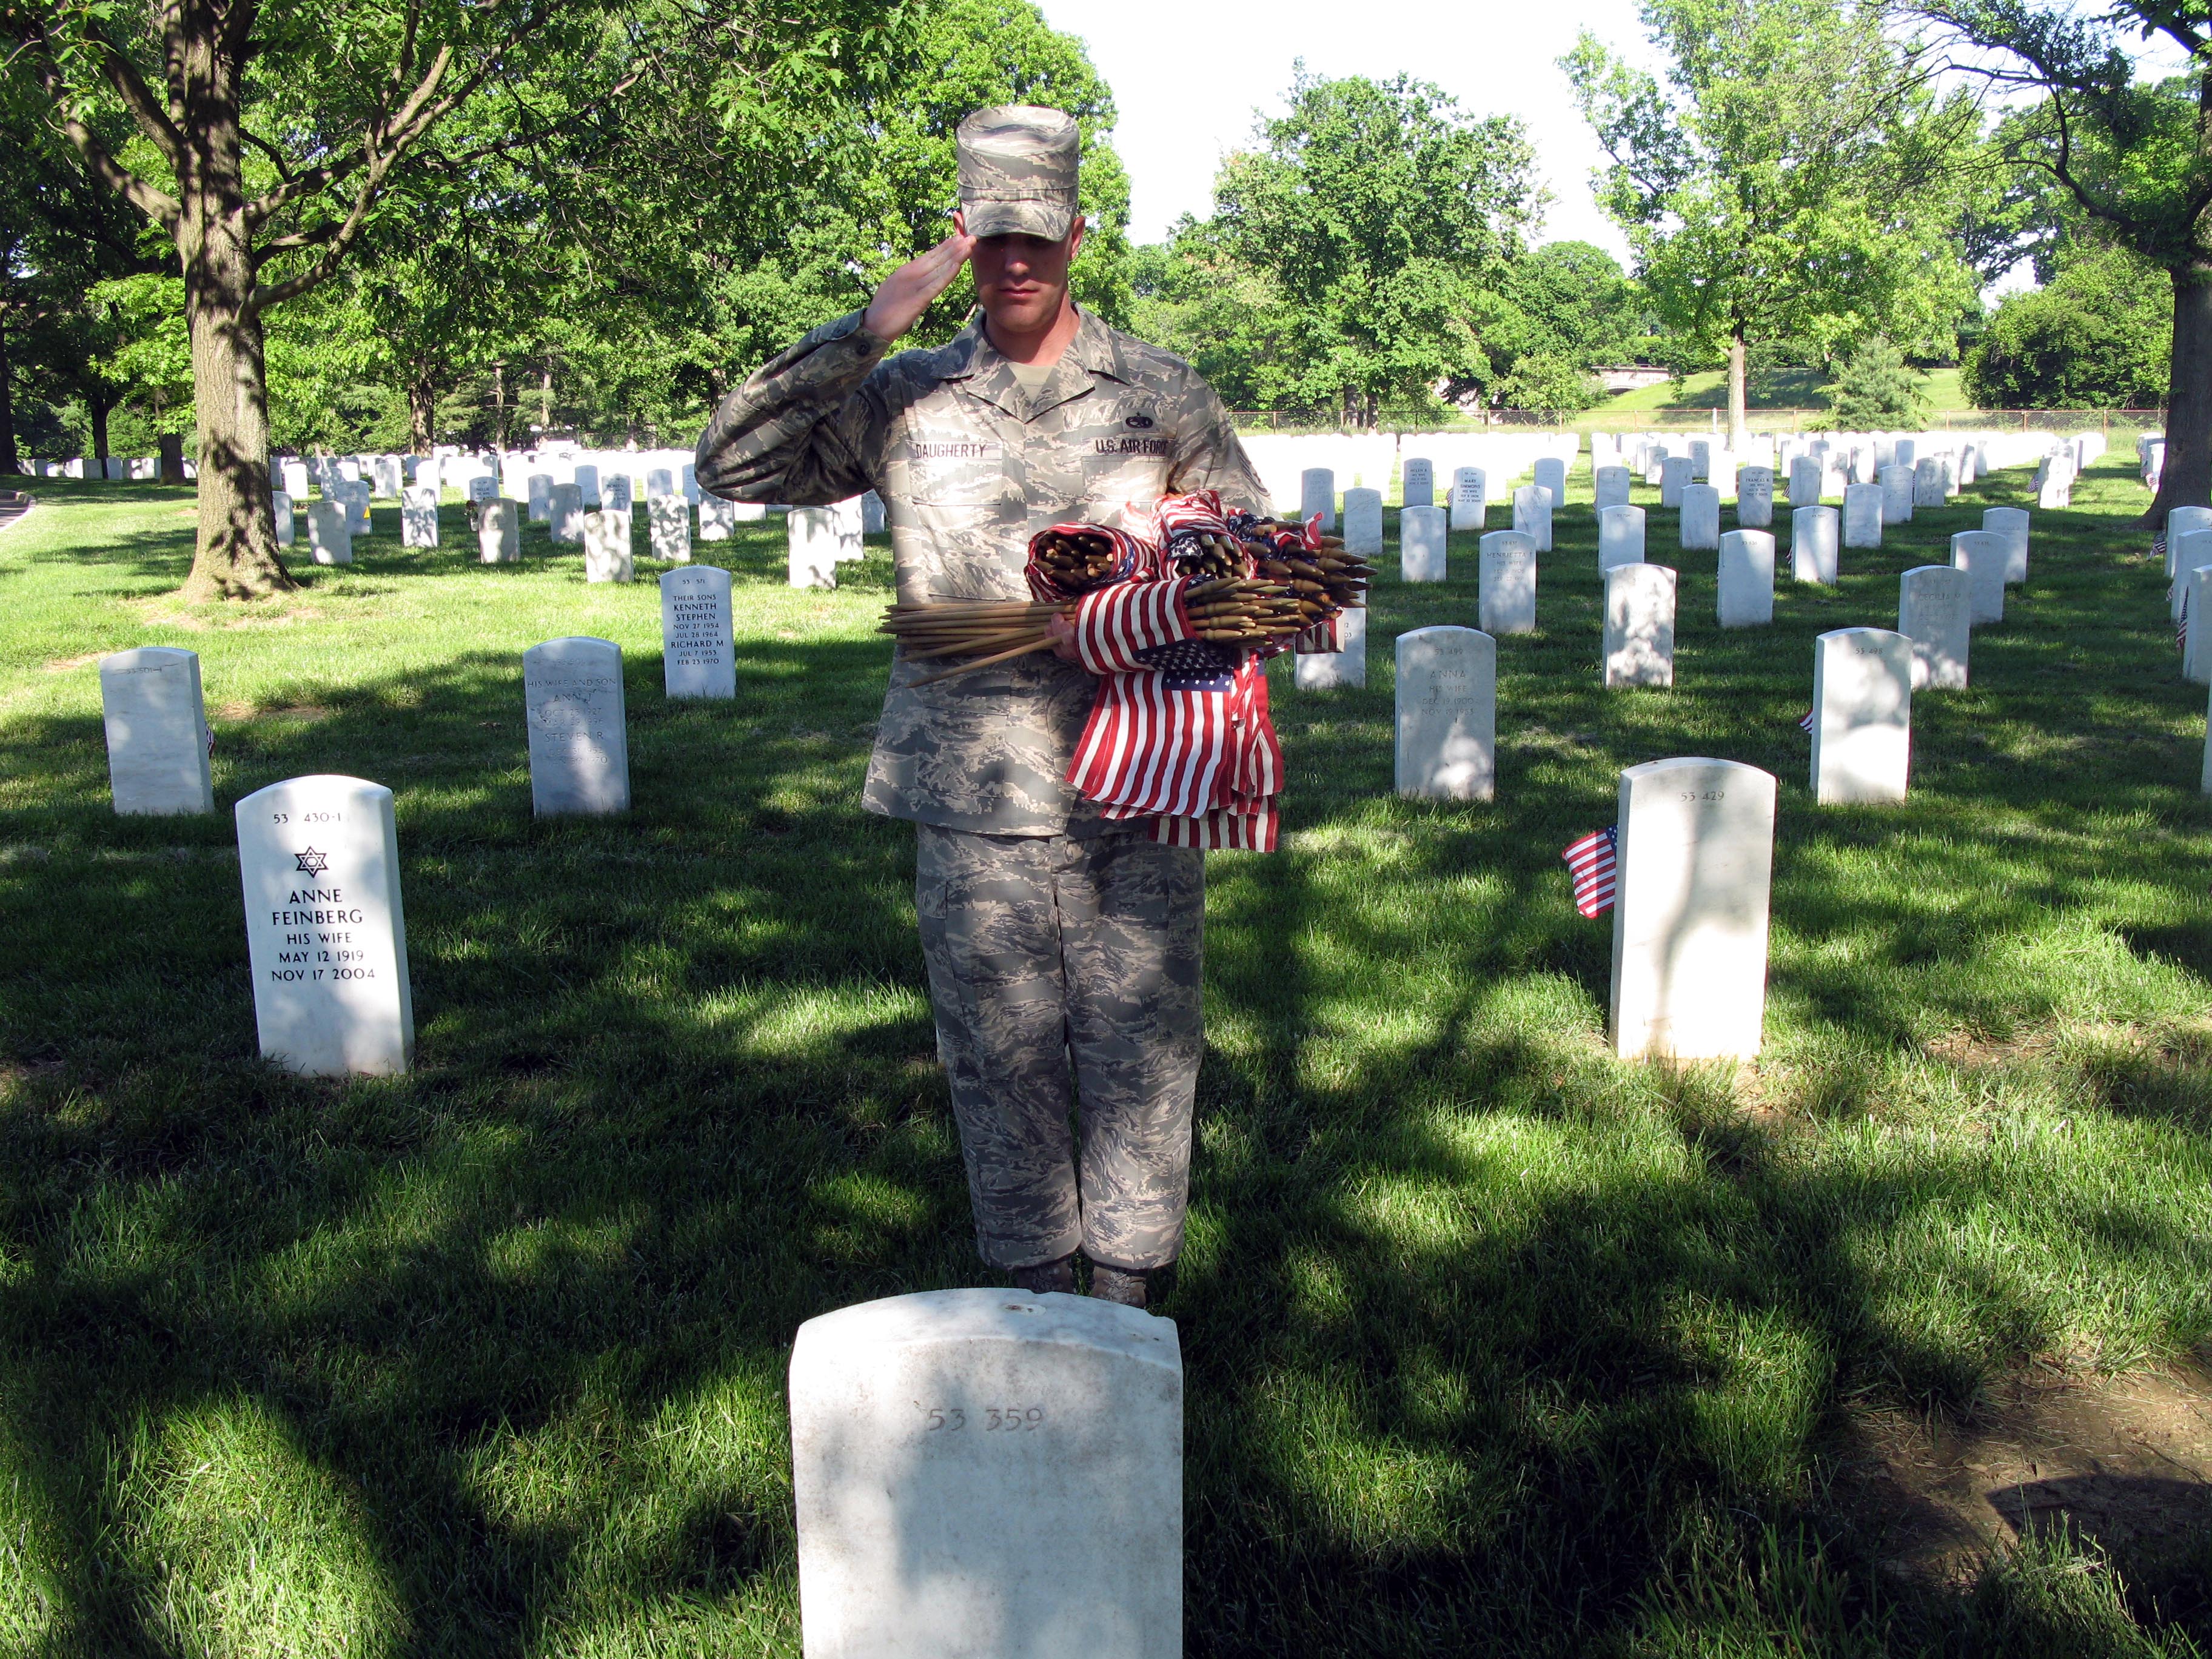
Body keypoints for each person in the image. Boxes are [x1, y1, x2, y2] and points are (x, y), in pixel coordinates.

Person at [694, 105, 1270, 1309]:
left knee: (1142, 1059)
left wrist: (1180, 587)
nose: (1019, 260)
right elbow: (731, 467)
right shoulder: (903, 394)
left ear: (1078, 236)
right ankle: (1030, 1296)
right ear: (964, 234)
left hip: (1137, 781)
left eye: (1041, 237)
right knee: (996, 1063)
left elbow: (1255, 562)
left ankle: (1130, 1301)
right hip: (970, 787)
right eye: (995, 236)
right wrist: (865, 327)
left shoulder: (1160, 391)